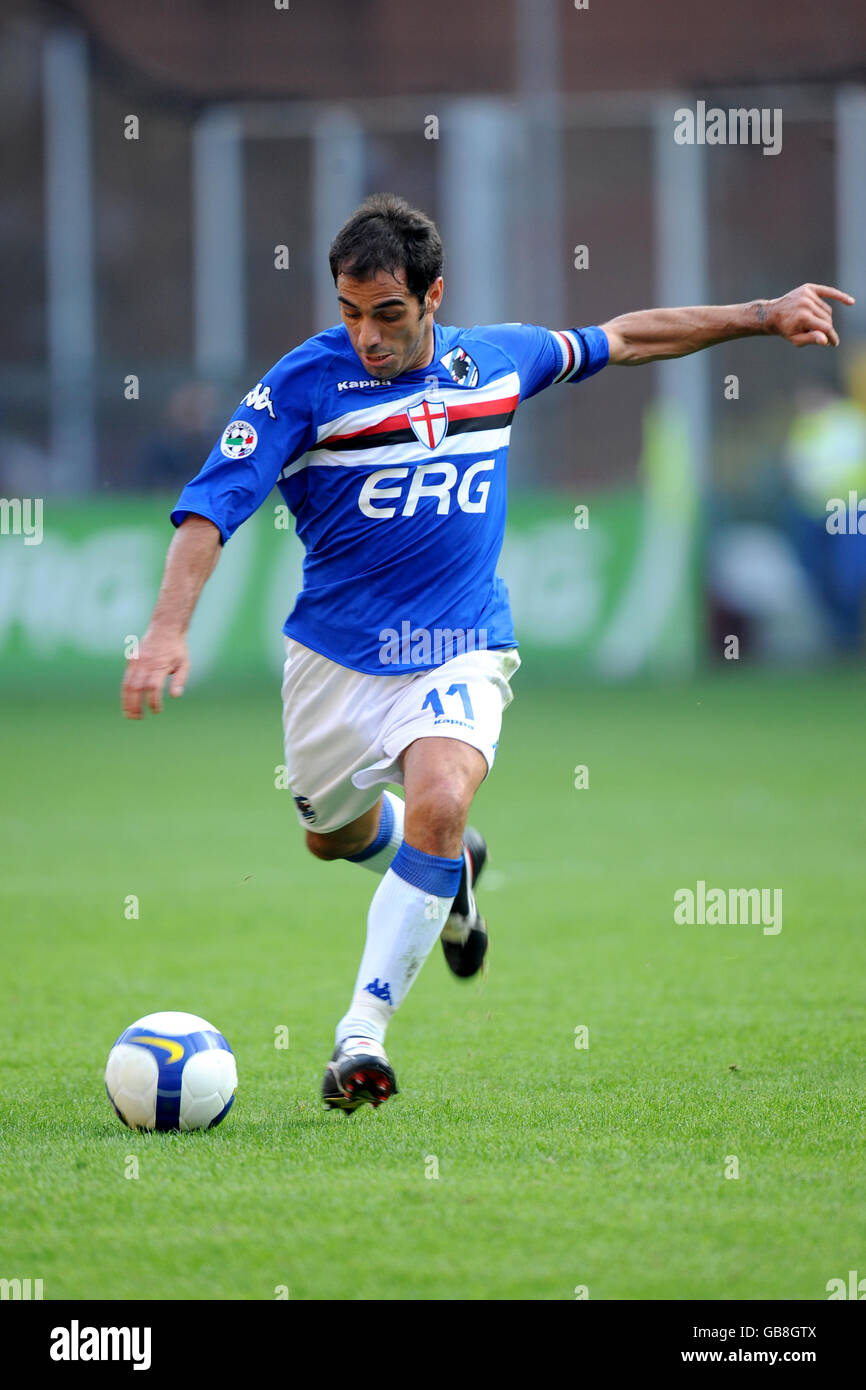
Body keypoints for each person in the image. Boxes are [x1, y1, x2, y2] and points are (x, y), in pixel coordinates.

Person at [121, 192, 852, 1113]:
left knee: (436, 797)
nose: (367, 338)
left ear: (434, 297)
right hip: (335, 661)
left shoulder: (494, 360)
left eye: (387, 314)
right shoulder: (301, 386)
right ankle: (451, 868)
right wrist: (167, 627)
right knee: (328, 835)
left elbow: (625, 337)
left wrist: (759, 315)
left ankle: (361, 1038)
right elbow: (209, 506)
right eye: (349, 314)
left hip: (462, 644)